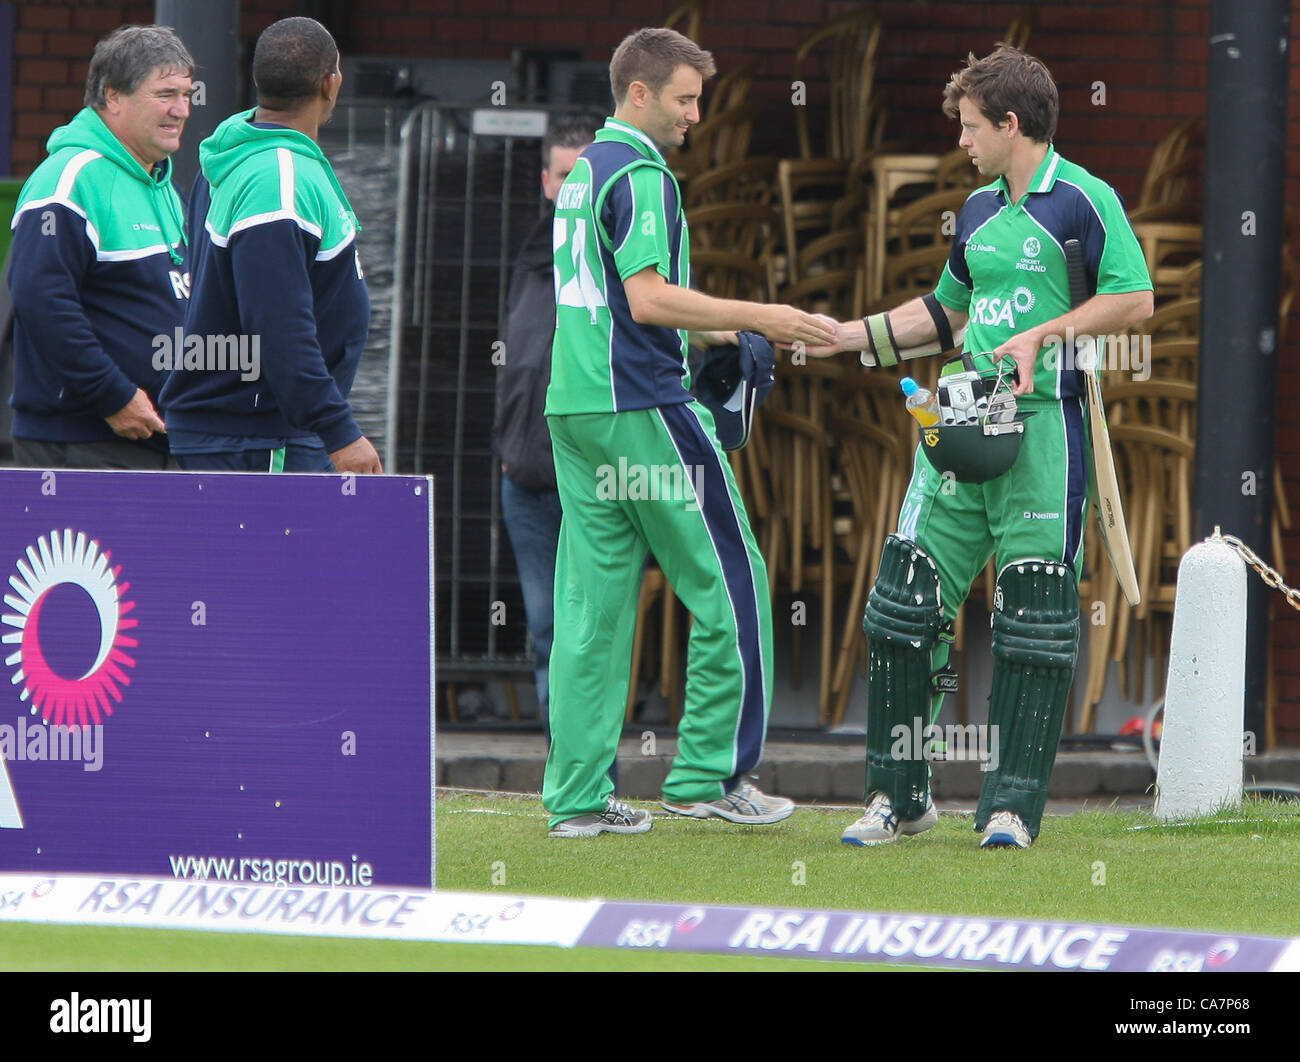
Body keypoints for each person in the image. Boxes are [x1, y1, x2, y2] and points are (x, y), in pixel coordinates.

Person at [809, 45, 1153, 849]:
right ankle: (898, 796)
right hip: (962, 422)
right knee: (903, 602)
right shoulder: (974, 211)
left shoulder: (1084, 200)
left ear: (1011, 123)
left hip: (1046, 429)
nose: (960, 141)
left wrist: (1046, 334)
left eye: (970, 127)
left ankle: (1010, 806)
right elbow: (946, 313)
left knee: (1034, 614)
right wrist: (850, 337)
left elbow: (1134, 300)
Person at [542, 26, 837, 838]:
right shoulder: (643, 172)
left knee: (592, 610)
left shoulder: (584, 172)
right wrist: (762, 315)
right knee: (730, 579)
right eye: (684, 99)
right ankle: (710, 775)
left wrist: (714, 335)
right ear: (639, 94)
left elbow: (608, 299)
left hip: (575, 411)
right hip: (642, 406)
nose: (694, 116)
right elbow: (647, 299)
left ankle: (577, 800)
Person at [159, 16, 380, 475]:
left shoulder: (241, 156)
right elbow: (278, 323)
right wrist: (339, 430)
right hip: (256, 434)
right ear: (330, 82)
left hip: (248, 430)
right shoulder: (276, 176)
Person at [7, 25, 193, 470]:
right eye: (165, 94)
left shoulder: (163, 182)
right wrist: (113, 396)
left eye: (188, 94)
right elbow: (40, 298)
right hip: (87, 439)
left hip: (152, 438)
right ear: (112, 96)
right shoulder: (70, 179)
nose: (182, 110)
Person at [494, 113, 602, 737]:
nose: (570, 189)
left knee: (591, 631)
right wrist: (509, 450)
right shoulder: (532, 255)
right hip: (528, 477)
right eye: (563, 176)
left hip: (594, 478)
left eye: (582, 176)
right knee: (544, 627)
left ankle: (596, 774)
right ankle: (567, 767)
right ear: (545, 180)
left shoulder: (623, 264)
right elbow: (518, 364)